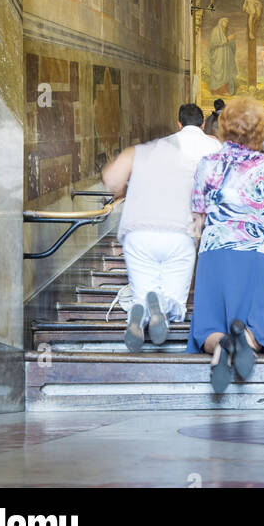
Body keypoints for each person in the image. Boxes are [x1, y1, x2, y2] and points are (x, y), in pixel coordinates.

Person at [102, 104, 219, 352]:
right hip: (179, 230)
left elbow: (111, 181)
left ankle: (138, 311)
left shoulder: (136, 152)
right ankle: (163, 310)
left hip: (138, 232)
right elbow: (205, 196)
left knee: (142, 290)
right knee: (175, 299)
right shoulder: (193, 158)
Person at [187, 96, 264, 393]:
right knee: (259, 324)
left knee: (208, 326)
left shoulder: (207, 163)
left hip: (215, 252)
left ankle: (223, 347)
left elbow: (197, 217)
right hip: (255, 253)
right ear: (258, 130)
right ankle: (242, 341)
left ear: (224, 126)